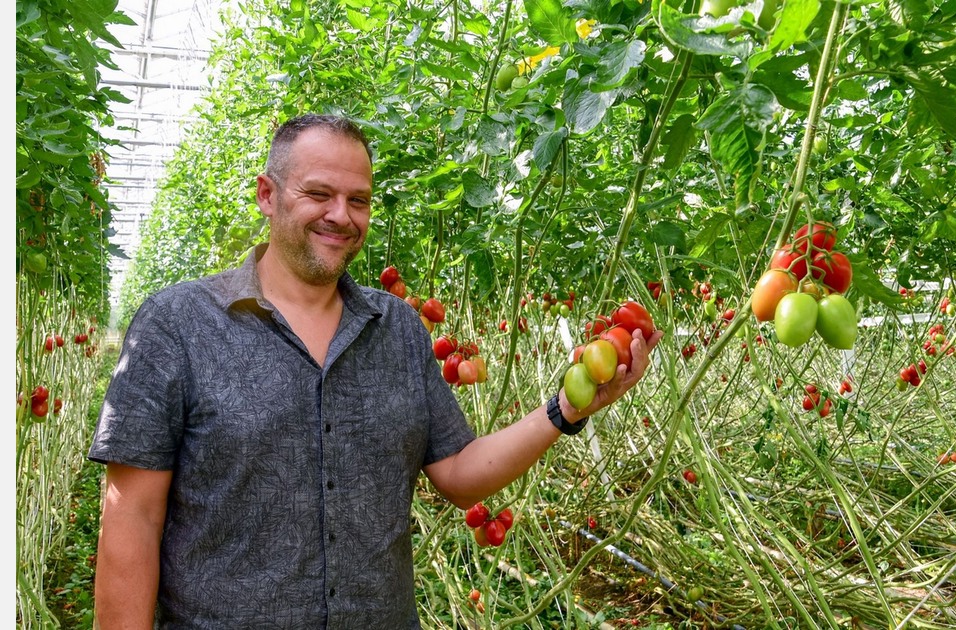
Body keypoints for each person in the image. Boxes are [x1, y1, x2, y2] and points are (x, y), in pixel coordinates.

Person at [88, 113, 663, 629]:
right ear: (267, 195)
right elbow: (132, 516)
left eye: (358, 200)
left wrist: (566, 410)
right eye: (319, 193)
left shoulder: (398, 329)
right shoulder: (178, 325)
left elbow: (458, 473)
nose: (341, 216)